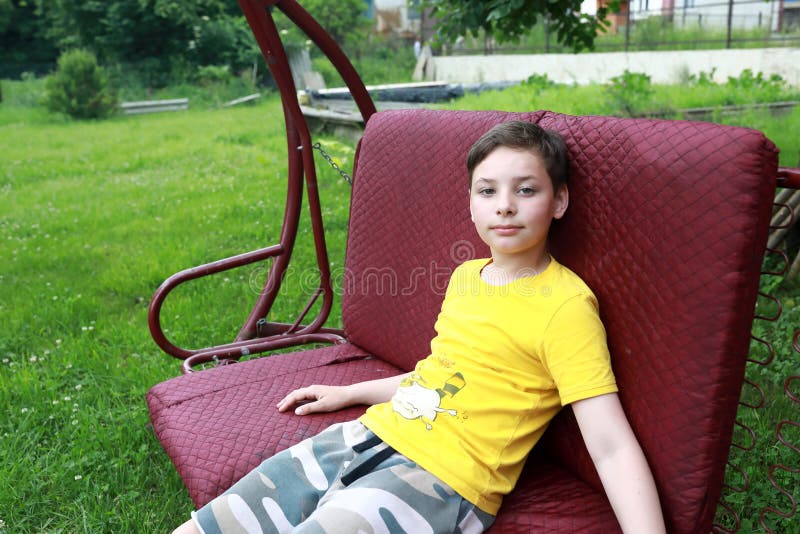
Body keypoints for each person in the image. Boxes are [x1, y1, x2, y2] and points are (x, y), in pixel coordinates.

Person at [173, 121, 666, 534]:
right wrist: (350, 392)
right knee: (216, 523)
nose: (505, 205)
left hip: (440, 480)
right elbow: (438, 377)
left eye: (527, 189)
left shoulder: (566, 306)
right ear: (470, 202)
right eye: (488, 190)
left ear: (559, 201)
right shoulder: (465, 278)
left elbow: (611, 445)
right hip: (365, 437)